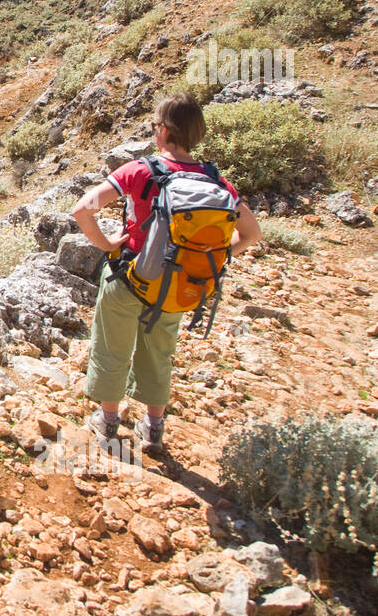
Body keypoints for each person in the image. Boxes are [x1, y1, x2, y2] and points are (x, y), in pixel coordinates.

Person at [71, 92, 262, 453]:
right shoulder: (216, 182)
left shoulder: (140, 170)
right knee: (160, 353)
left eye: (155, 125)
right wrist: (211, 260)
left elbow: (83, 209)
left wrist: (108, 244)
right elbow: (252, 234)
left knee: (113, 347)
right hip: (178, 284)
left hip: (130, 277)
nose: (154, 131)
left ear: (164, 131)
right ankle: (153, 429)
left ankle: (108, 422)